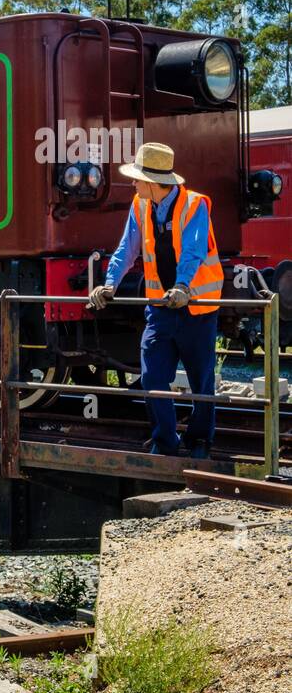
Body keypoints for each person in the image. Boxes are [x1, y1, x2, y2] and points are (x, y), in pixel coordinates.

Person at [89, 142, 224, 458]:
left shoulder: (194, 205)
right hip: (161, 309)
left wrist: (182, 286)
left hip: (197, 308)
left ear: (151, 182)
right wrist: (109, 285)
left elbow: (193, 251)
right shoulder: (140, 205)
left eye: (137, 179)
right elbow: (126, 250)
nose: (133, 184)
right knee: (152, 377)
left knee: (201, 380)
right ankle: (166, 441)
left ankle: (200, 440)